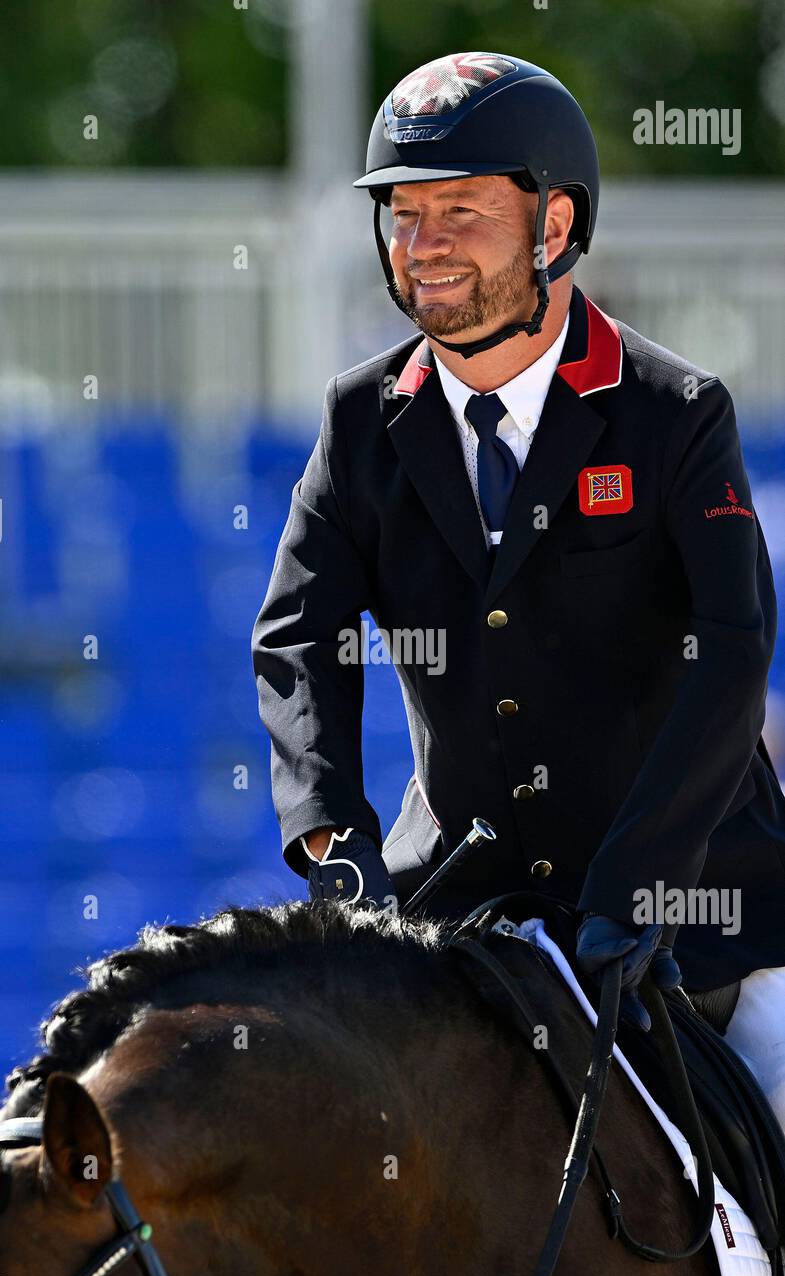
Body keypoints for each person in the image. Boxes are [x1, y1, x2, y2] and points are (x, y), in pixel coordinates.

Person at [252, 52, 785, 1128]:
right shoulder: (361, 423)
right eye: (402, 215)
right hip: (456, 905)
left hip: (696, 912)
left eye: (460, 212)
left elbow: (730, 652)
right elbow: (298, 634)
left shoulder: (675, 411)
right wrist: (329, 835)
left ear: (551, 229)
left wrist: (636, 881)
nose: (423, 247)